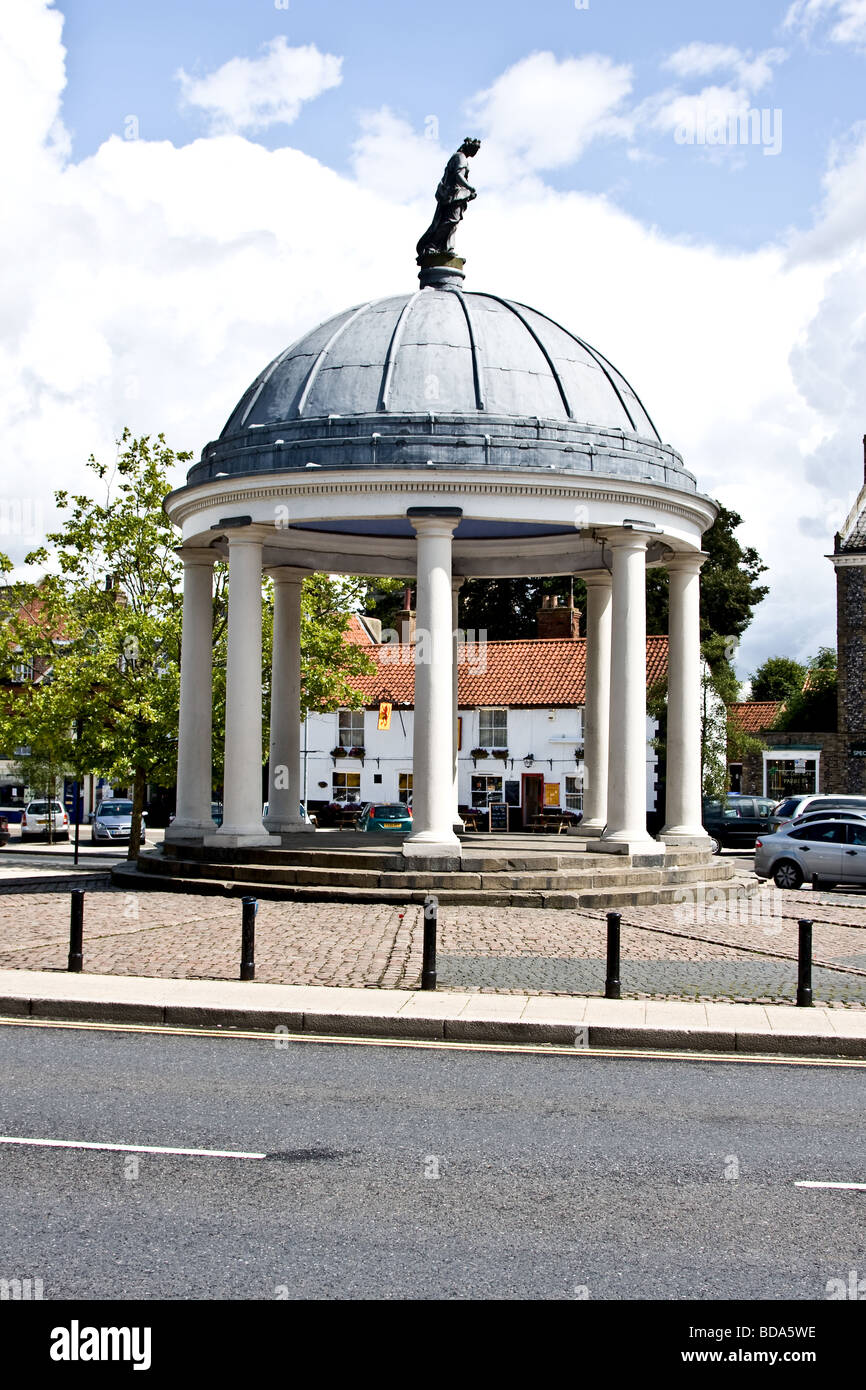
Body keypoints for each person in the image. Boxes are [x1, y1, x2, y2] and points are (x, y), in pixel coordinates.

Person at [416, 138, 481, 260]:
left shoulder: (461, 157)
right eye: (474, 149)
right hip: (453, 196)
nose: (475, 152)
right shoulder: (460, 157)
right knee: (450, 220)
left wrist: (468, 192)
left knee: (453, 223)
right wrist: (470, 187)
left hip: (458, 196)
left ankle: (446, 248)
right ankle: (432, 245)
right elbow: (458, 175)